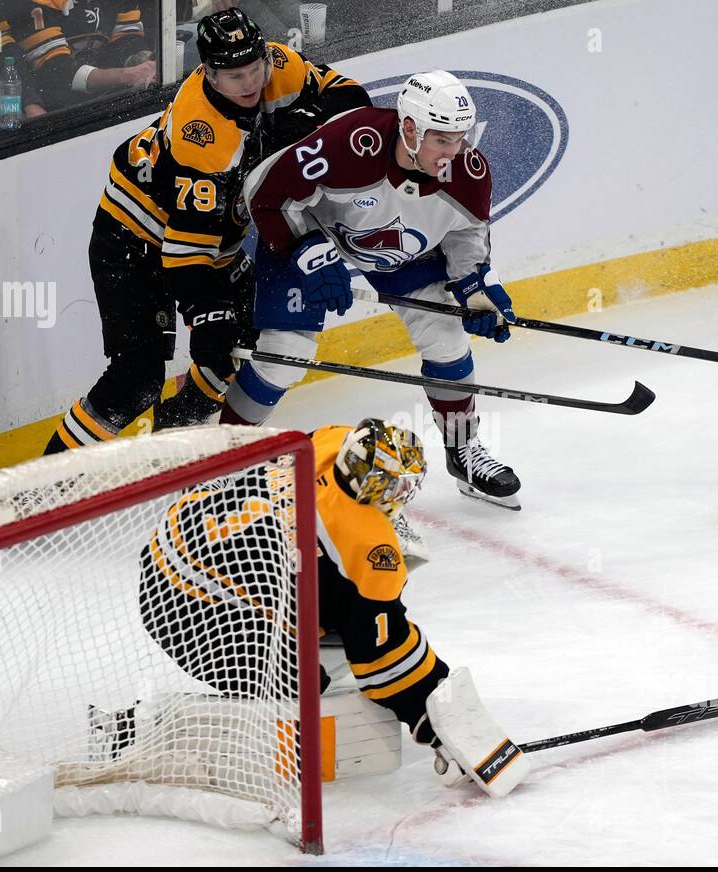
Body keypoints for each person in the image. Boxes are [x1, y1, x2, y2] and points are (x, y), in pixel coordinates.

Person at [128, 418, 529, 796]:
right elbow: (383, 658)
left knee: (332, 614)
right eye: (393, 488)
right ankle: (150, 732)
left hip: (175, 545)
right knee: (303, 688)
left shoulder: (331, 440)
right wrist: (433, 724)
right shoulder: (366, 548)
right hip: (191, 615)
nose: (399, 497)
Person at [44, 8, 368, 453]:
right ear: (210, 75)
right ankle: (42, 487)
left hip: (213, 239)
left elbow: (351, 98)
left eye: (255, 69)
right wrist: (207, 316)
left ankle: (180, 433)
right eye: (235, 77)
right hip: (133, 240)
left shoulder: (278, 64)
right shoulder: (202, 135)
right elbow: (186, 253)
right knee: (136, 381)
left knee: (246, 335)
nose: (251, 83)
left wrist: (319, 121)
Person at [222, 69, 523, 509]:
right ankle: (219, 462)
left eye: (459, 138)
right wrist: (305, 250)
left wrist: (476, 292)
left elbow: (465, 241)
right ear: (409, 129)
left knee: (446, 338)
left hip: (395, 245)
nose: (454, 151)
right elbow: (265, 193)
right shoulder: (349, 143)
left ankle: (463, 452)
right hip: (312, 230)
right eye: (442, 139)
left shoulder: (468, 173)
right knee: (284, 355)